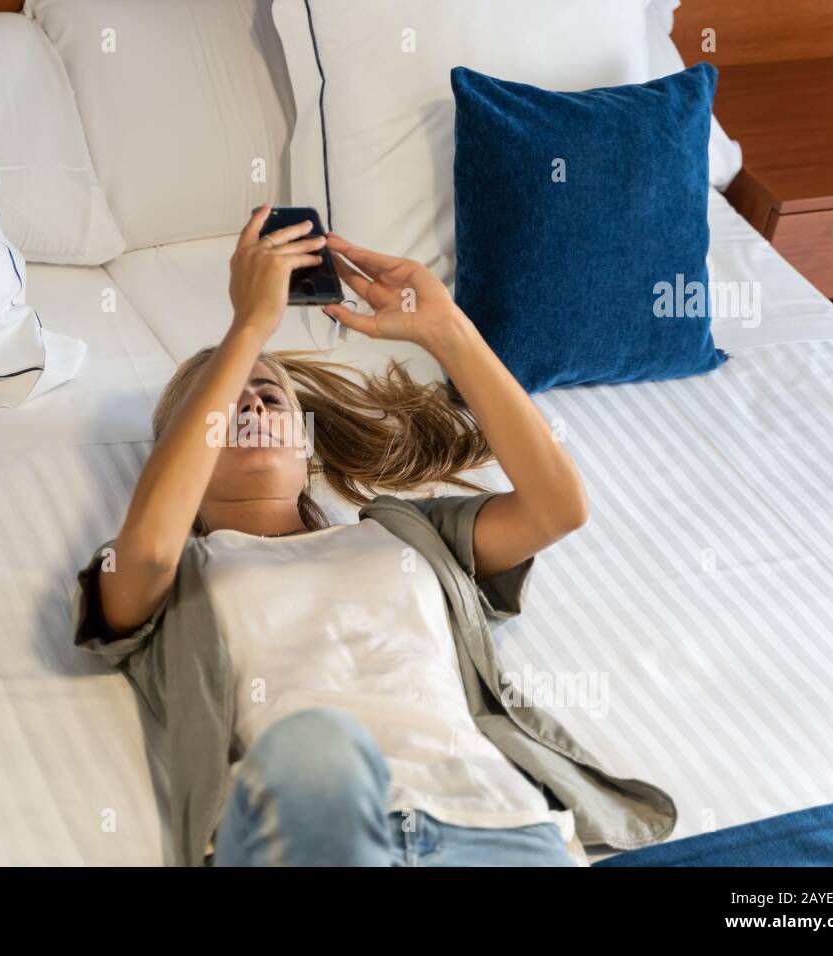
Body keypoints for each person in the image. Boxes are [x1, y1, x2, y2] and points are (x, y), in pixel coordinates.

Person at [73, 203, 600, 866]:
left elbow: (558, 508)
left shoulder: (406, 534)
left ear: (309, 449)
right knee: (319, 742)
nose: (252, 404)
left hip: (490, 822)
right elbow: (148, 544)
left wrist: (446, 330)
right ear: (178, 462)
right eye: (223, 397)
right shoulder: (176, 573)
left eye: (268, 394)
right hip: (309, 824)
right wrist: (248, 327)